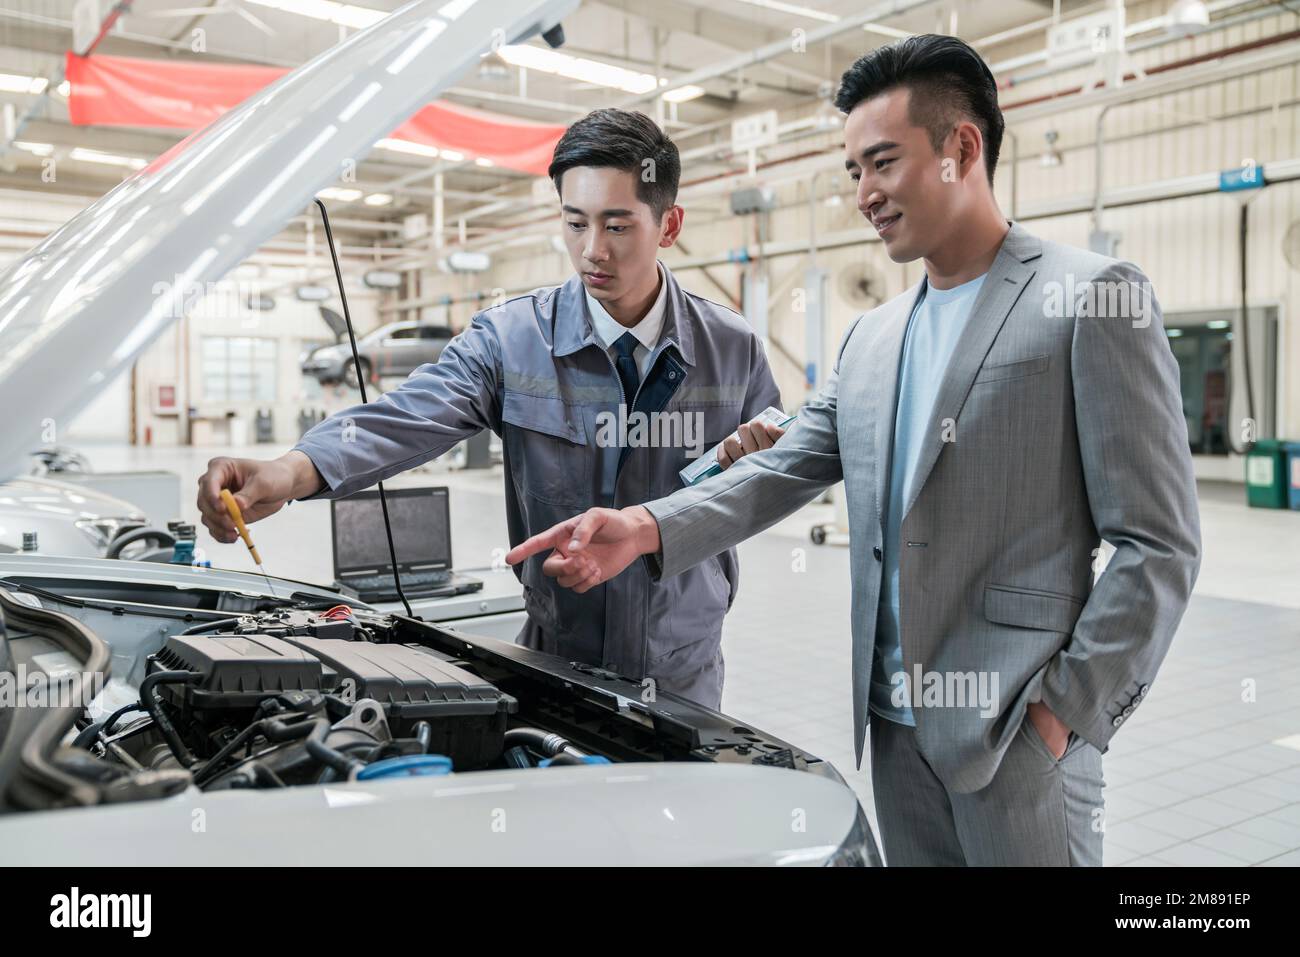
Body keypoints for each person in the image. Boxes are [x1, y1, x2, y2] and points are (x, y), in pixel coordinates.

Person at [505, 36, 1201, 866]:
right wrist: (646, 528)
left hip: (1021, 733)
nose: (864, 194)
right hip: (897, 734)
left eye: (881, 164)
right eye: (852, 173)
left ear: (961, 149)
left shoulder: (1088, 297)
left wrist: (1063, 714)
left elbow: (1159, 543)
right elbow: (782, 464)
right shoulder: (875, 336)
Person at [197, 108, 785, 710]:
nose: (591, 251)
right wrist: (290, 472)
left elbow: (768, 474)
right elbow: (409, 414)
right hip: (555, 655)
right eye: (575, 222)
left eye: (617, 226)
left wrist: (754, 459)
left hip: (683, 662)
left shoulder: (730, 348)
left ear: (669, 225)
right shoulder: (512, 341)